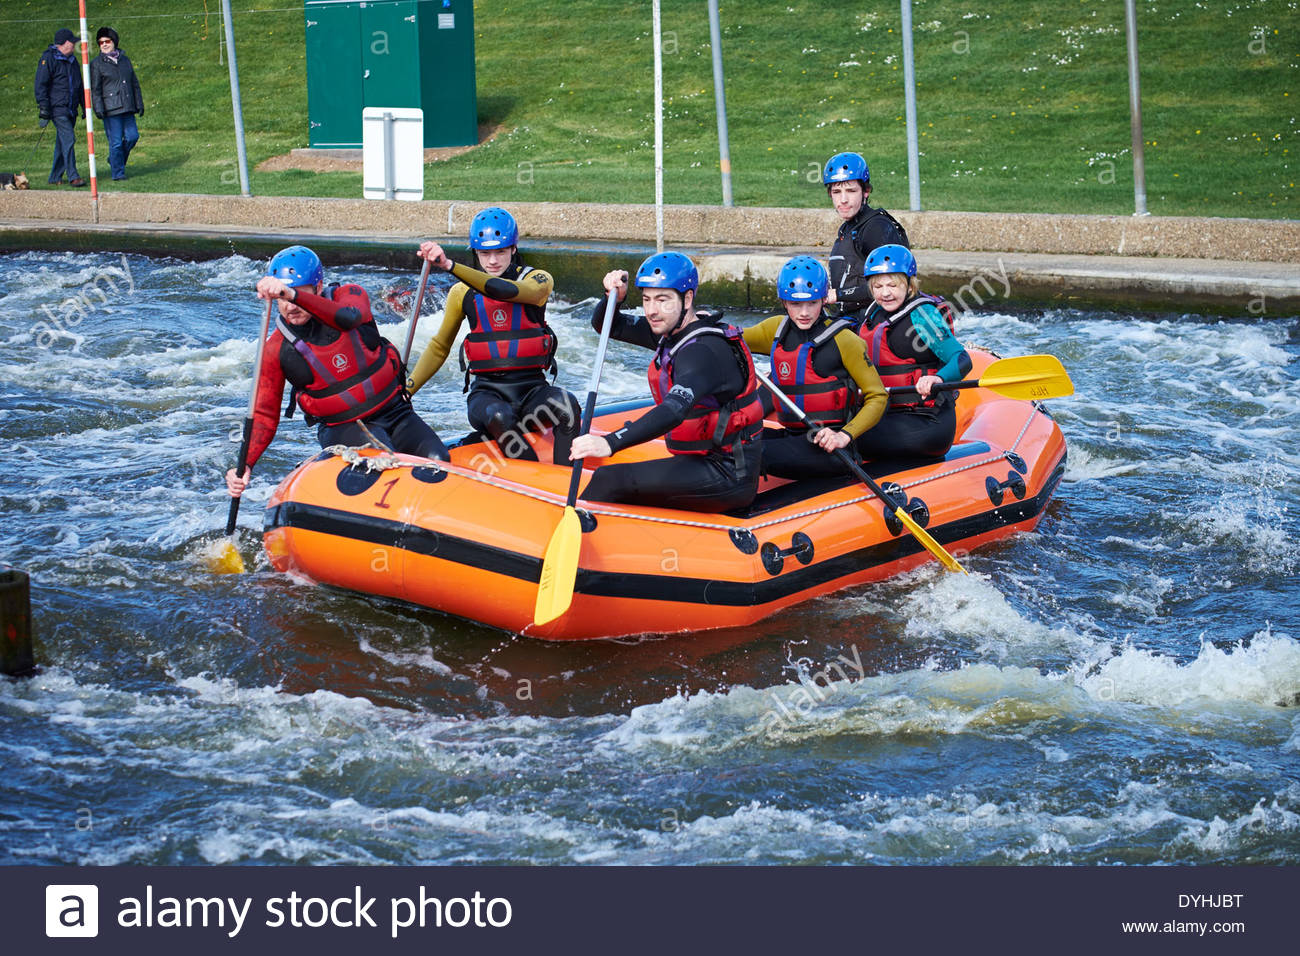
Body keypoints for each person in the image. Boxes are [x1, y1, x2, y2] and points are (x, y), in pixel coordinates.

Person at [225, 246, 448, 499]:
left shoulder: (350, 295)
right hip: (344, 427)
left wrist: (292, 293)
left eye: (295, 295)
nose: (289, 306)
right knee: (386, 462)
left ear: (318, 288)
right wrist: (245, 465)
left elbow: (348, 318)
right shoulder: (276, 348)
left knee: (439, 462)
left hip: (396, 413)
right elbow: (264, 414)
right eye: (281, 299)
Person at [569, 252, 765, 513]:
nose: (651, 310)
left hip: (726, 474)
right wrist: (613, 298)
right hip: (700, 461)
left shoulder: (704, 352)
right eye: (647, 300)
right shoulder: (671, 331)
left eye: (662, 300)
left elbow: (674, 409)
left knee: (609, 479)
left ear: (687, 299)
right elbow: (608, 326)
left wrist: (610, 442)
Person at [408, 207, 580, 464]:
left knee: (569, 407)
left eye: (500, 251)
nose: (492, 261)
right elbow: (439, 347)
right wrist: (406, 390)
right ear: (475, 253)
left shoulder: (538, 280)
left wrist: (449, 265)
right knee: (499, 416)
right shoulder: (460, 292)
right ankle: (532, 476)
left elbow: (505, 291)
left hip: (533, 393)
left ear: (513, 248)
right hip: (488, 398)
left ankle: (565, 481)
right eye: (484, 253)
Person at [741, 256, 888, 479]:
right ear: (784, 302)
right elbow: (731, 337)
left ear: (823, 299)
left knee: (746, 452)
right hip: (791, 437)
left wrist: (844, 436)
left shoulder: (845, 340)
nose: (804, 312)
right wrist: (701, 324)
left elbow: (878, 397)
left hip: (831, 450)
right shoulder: (775, 330)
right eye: (796, 304)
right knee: (730, 441)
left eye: (812, 303)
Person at [854, 244, 972, 461]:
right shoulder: (872, 314)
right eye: (878, 286)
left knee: (843, 438)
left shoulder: (923, 316)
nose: (885, 293)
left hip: (926, 421)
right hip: (886, 413)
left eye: (893, 285)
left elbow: (962, 359)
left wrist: (938, 378)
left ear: (909, 285)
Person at [821, 151, 908, 320]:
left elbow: (892, 286)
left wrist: (837, 295)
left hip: (875, 321)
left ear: (866, 191)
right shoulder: (848, 227)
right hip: (850, 318)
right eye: (837, 192)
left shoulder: (876, 228)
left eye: (851, 190)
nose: (843, 199)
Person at [34, 28, 86, 188]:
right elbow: (40, 85)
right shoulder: (48, 59)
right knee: (69, 139)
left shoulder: (73, 60)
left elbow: (79, 85)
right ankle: (73, 176)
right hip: (58, 109)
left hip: (71, 109)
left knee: (62, 142)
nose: (74, 45)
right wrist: (44, 107)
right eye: (72, 42)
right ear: (64, 44)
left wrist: (85, 106)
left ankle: (55, 176)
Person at [89, 27, 143, 182]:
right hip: (110, 109)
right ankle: (118, 173)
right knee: (116, 143)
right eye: (101, 42)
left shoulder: (125, 60)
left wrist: (139, 103)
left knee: (133, 137)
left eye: (107, 41)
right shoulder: (97, 64)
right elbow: (96, 89)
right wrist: (98, 108)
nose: (104, 44)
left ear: (114, 42)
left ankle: (114, 160)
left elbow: (134, 83)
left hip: (128, 106)